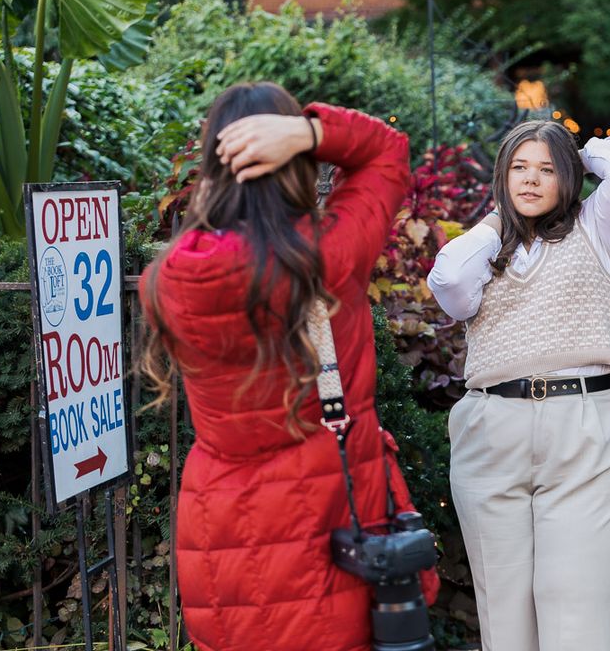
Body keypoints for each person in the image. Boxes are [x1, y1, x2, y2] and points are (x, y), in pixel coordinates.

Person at [139, 82, 437, 651]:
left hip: (219, 528)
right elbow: (388, 152)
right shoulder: (325, 260)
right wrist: (311, 131)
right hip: (322, 522)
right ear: (294, 164)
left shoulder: (171, 277)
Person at [427, 121, 610, 651]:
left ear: (569, 177)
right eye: (518, 168)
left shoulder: (600, 228)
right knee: (504, 617)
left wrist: (567, 149)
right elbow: (449, 285)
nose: (530, 181)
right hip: (492, 430)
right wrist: (496, 223)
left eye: (546, 171)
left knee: (574, 608)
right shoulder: (486, 249)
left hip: (583, 430)